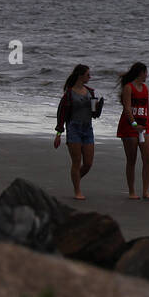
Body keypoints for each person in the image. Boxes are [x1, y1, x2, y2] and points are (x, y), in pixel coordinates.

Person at [54, 64, 103, 201]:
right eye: (88, 74)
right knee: (76, 162)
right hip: (73, 128)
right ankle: (77, 191)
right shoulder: (69, 94)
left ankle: (75, 178)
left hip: (88, 128)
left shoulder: (90, 92)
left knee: (88, 163)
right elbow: (61, 114)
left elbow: (94, 115)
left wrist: (98, 107)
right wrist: (58, 135)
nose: (90, 77)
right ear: (80, 75)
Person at [116, 62, 149, 200]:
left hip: (145, 127)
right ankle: (132, 191)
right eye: (145, 72)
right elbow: (127, 108)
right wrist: (134, 124)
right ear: (140, 72)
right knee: (131, 160)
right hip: (130, 127)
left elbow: (147, 109)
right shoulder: (129, 87)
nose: (147, 75)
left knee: (147, 159)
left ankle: (146, 191)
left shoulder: (145, 88)